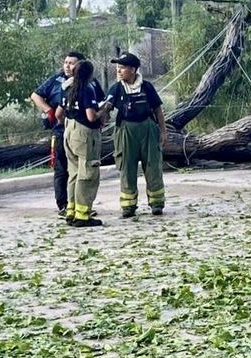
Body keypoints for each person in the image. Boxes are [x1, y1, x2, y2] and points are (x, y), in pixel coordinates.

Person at [31, 51, 105, 218]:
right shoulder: (59, 81)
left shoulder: (89, 84)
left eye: (72, 63)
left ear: (79, 66)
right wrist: (48, 110)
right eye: (65, 62)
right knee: (70, 170)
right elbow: (36, 95)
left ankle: (74, 207)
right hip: (70, 131)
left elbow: (100, 100)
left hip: (70, 128)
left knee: (75, 171)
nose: (67, 66)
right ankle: (69, 207)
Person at [99, 52, 167, 218]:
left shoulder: (146, 87)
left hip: (148, 128)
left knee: (153, 166)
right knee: (126, 166)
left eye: (122, 68)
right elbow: (107, 107)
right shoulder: (116, 88)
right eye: (118, 68)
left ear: (133, 69)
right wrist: (100, 117)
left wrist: (163, 131)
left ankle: (156, 203)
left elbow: (158, 109)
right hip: (126, 130)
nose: (119, 71)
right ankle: (129, 206)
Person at [55, 59, 103, 227]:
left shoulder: (66, 88)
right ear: (90, 74)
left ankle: (71, 211)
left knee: (74, 172)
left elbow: (58, 114)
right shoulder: (87, 89)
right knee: (88, 172)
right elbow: (91, 116)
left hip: (69, 129)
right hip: (84, 132)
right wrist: (103, 110)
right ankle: (83, 215)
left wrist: (67, 125)